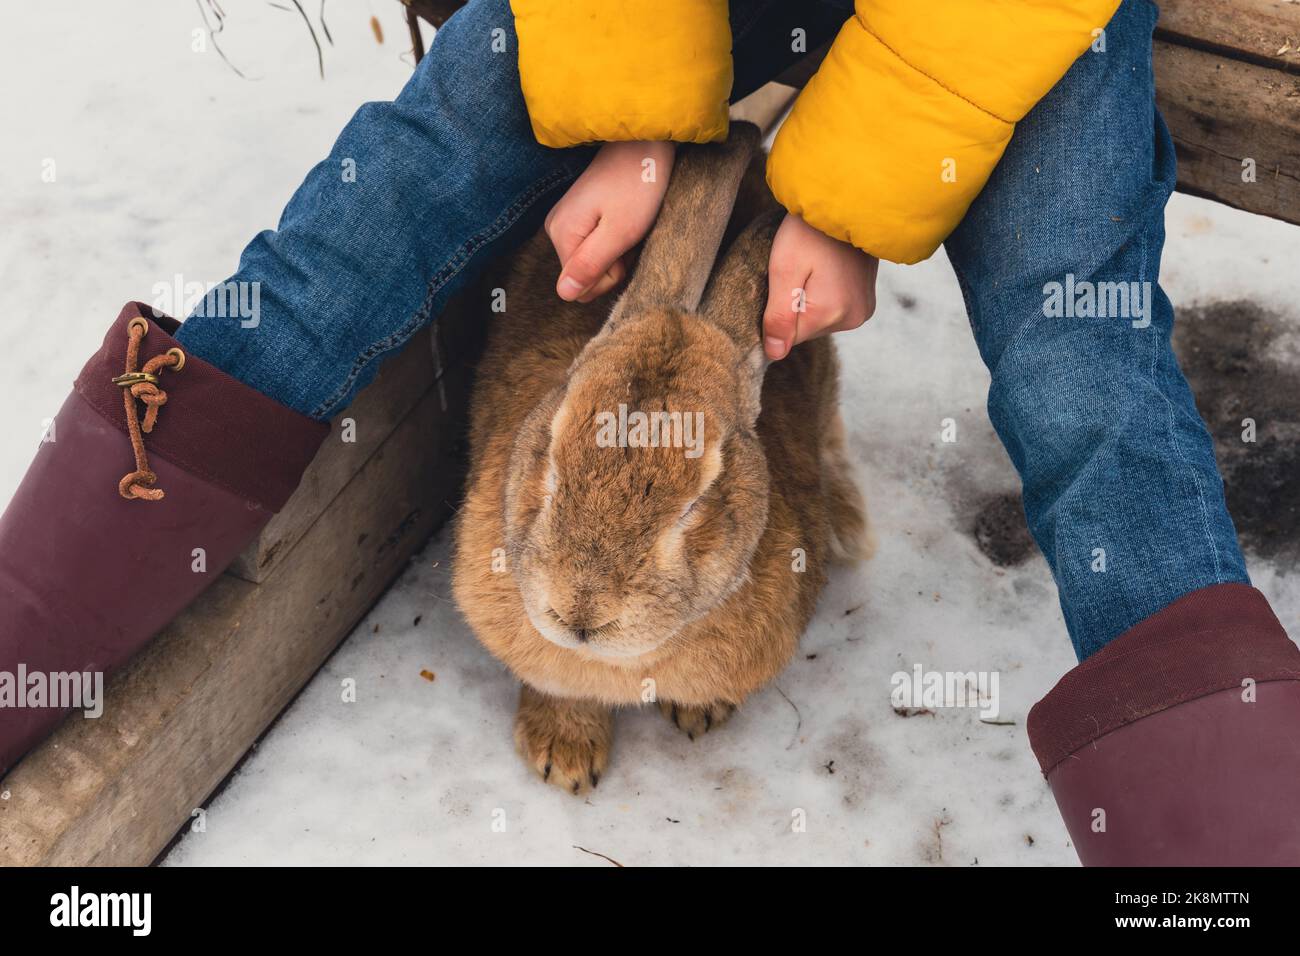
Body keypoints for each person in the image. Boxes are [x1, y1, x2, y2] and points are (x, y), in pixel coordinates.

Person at [1, 0, 1296, 864]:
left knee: (1080, 353)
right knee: (389, 192)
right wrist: (629, 114)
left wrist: (852, 197)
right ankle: (28, 642)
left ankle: (1226, 859)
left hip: (1003, 20)